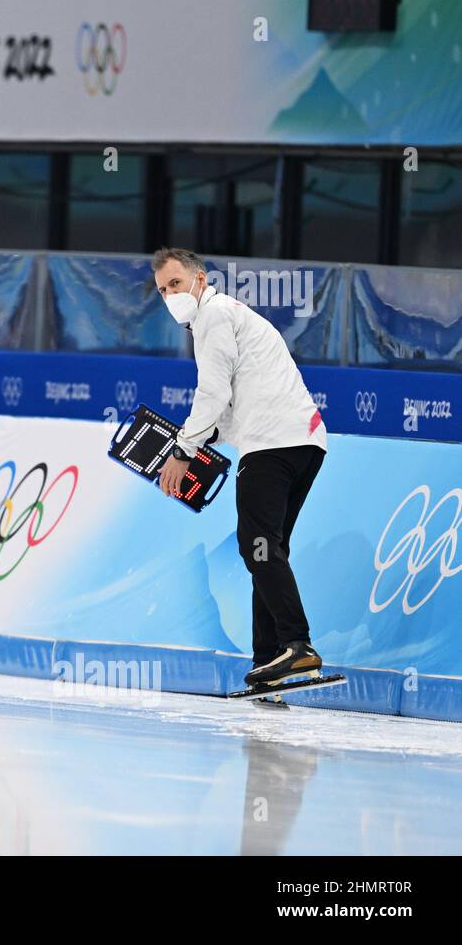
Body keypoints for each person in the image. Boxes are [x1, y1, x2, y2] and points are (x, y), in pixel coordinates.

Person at [151, 248, 327, 691]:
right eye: (161, 290)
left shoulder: (213, 316)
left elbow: (211, 394)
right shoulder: (231, 316)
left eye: (175, 283)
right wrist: (201, 440)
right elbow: (229, 406)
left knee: (258, 545)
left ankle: (297, 645)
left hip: (272, 444)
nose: (170, 295)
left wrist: (183, 449)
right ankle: (269, 658)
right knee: (266, 551)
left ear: (200, 279)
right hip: (302, 442)